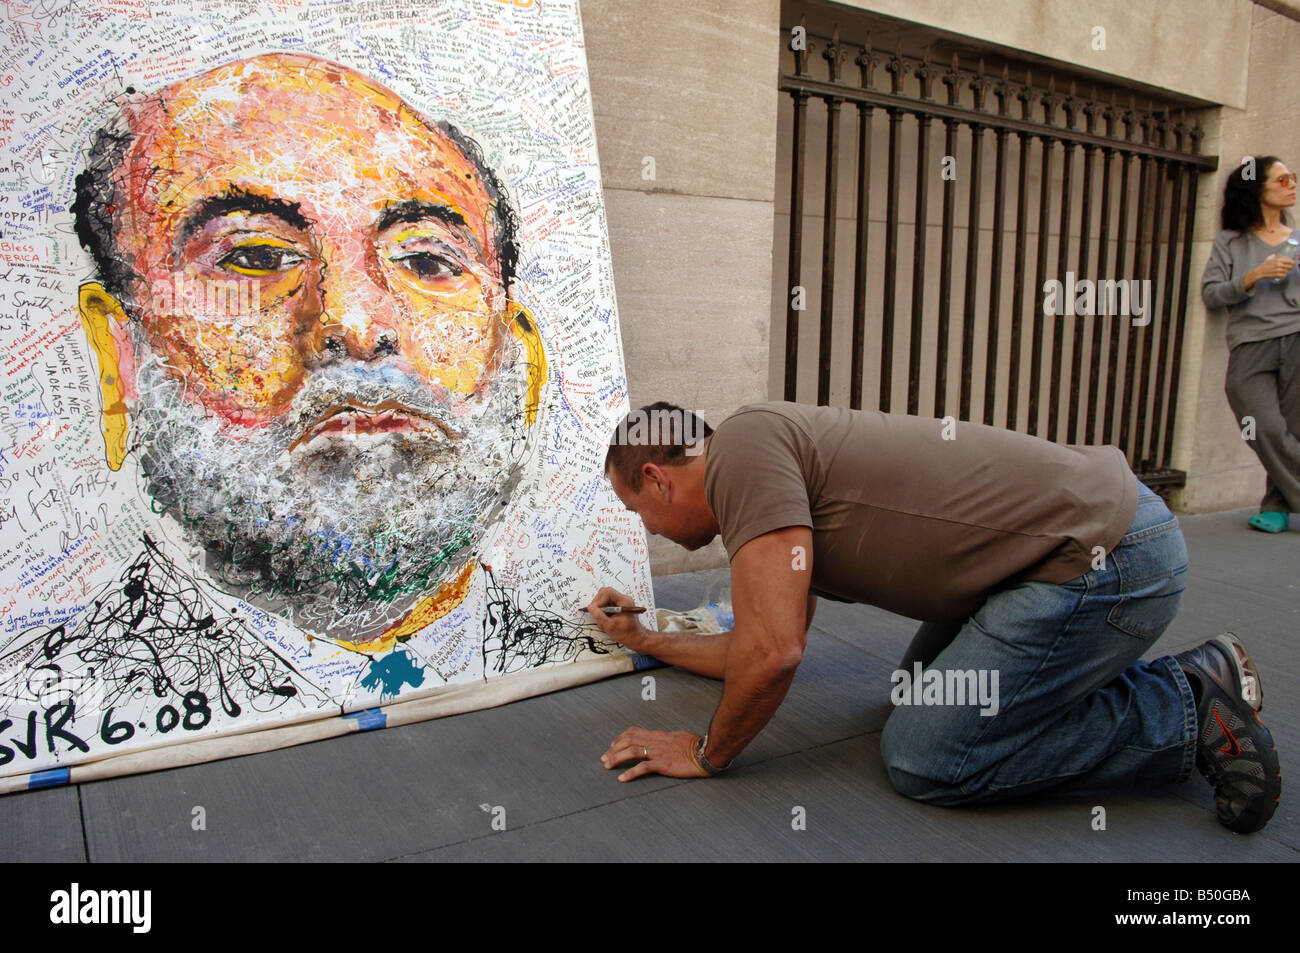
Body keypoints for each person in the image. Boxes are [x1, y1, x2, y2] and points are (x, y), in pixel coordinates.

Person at [588, 401, 1282, 834]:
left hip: (1111, 558)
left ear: (657, 477)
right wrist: (645, 638)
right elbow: (759, 644)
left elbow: (773, 655)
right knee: (918, 699)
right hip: (1060, 558)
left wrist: (707, 753)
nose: (644, 526)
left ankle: (1187, 705)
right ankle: (1117, 688)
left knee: (927, 754)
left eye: (635, 510)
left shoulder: (741, 456)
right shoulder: (758, 463)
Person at [70, 53, 548, 649]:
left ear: (523, 367)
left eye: (427, 261)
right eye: (257, 258)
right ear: (119, 358)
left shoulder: (582, 651)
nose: (356, 324)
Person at [1202, 155, 1300, 533]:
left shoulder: (1296, 240)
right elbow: (1211, 294)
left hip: (1296, 338)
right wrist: (1254, 276)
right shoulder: (1231, 242)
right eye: (1282, 179)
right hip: (1251, 342)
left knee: (1293, 428)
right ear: (1257, 189)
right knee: (1264, 427)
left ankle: (1276, 508)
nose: (1291, 183)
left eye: (1292, 178)